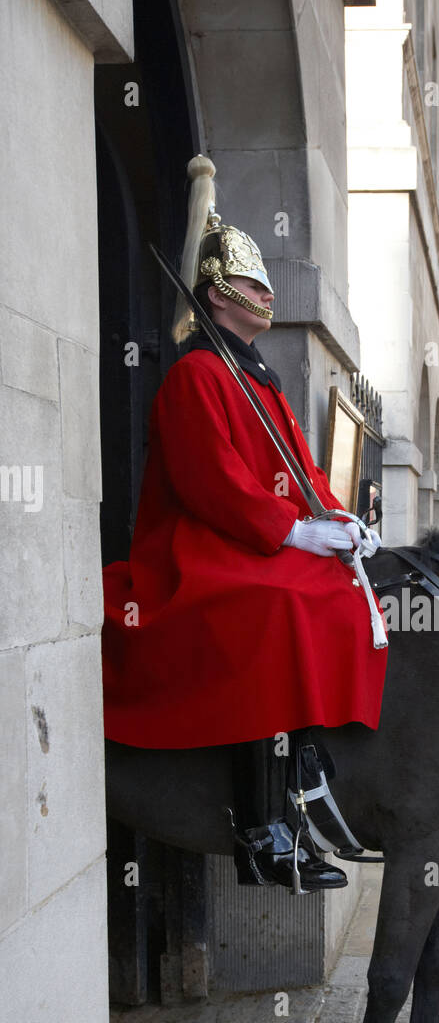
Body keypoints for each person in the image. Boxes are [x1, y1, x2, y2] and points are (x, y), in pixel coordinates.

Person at [102, 156, 388, 891]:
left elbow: (301, 470)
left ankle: (313, 776)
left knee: (337, 590)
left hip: (249, 537)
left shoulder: (256, 374)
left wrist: (335, 517)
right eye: (255, 284)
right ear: (217, 293)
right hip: (199, 547)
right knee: (280, 602)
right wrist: (292, 532)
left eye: (265, 284)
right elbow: (213, 485)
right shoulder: (198, 374)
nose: (266, 295)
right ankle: (263, 830)